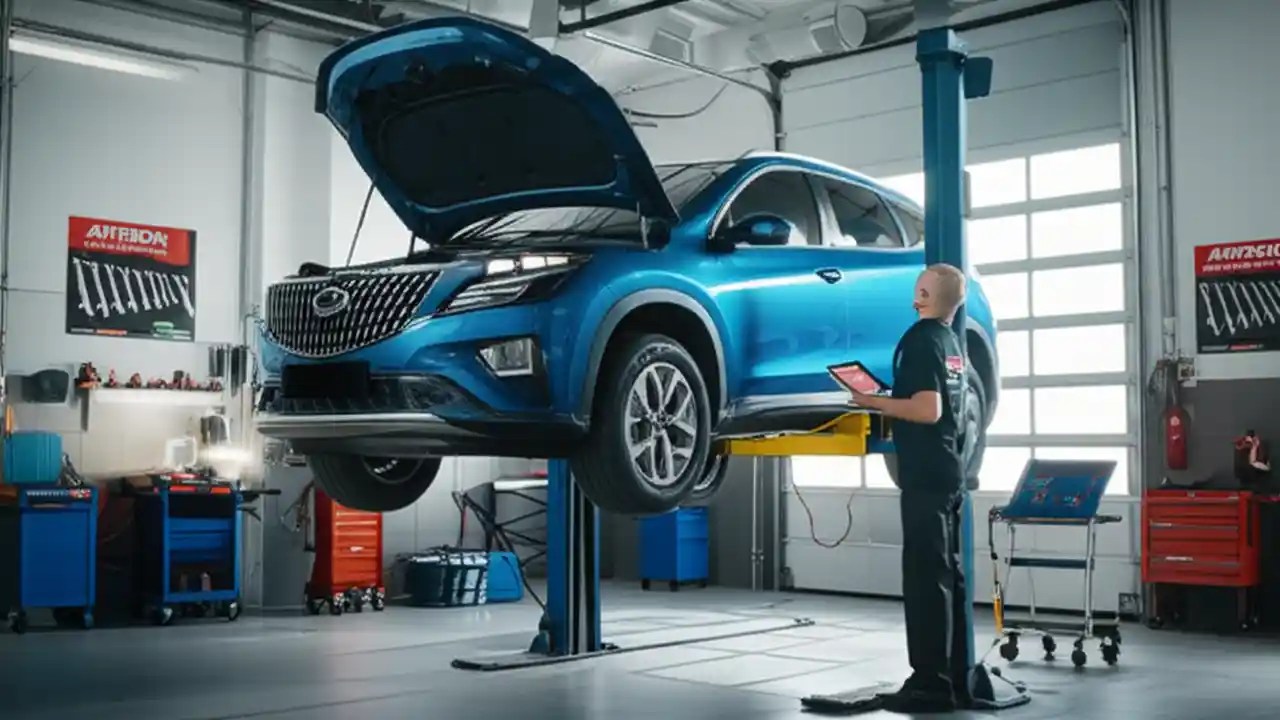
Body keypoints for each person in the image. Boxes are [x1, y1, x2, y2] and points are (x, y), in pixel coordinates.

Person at [848, 263, 970, 713]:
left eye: (920, 288)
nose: (914, 294)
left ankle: (929, 685)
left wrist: (870, 401)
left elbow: (926, 409)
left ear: (926, 296)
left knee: (924, 578)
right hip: (948, 471)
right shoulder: (951, 342)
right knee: (946, 576)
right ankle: (953, 677)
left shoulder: (921, 339)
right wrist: (888, 396)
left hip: (924, 474)